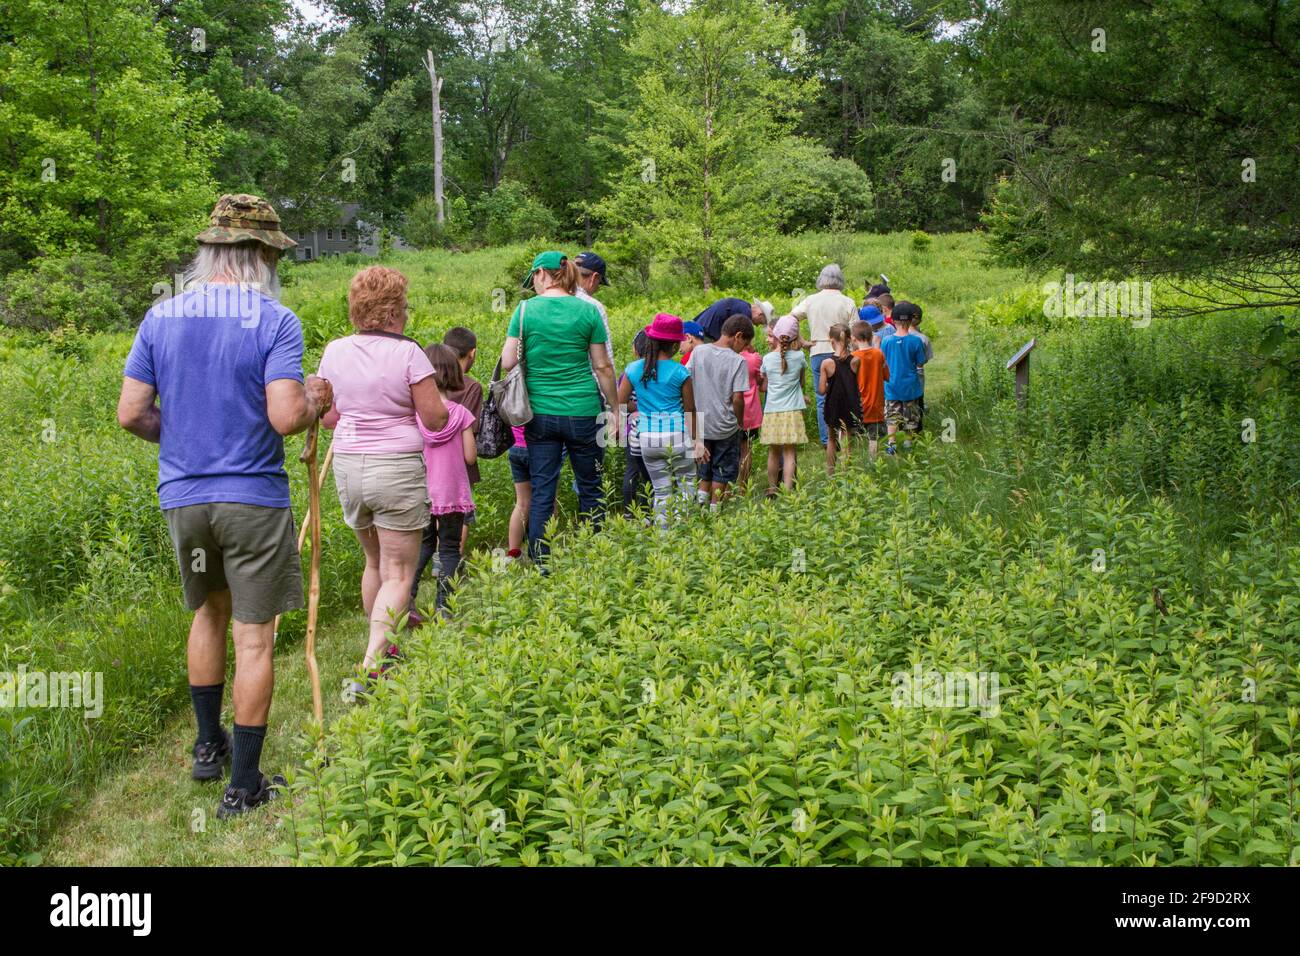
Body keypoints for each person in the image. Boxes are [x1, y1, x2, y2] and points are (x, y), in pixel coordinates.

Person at [117, 193, 333, 818]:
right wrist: (316, 398)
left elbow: (131, 412)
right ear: (260, 255)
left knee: (209, 614)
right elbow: (286, 415)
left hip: (184, 497)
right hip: (252, 498)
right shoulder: (273, 319)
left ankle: (206, 747)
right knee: (255, 637)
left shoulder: (161, 317)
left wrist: (183, 434)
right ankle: (244, 785)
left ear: (209, 250)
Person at [317, 266, 449, 698]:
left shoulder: (334, 351)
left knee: (374, 562)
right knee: (399, 570)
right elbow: (434, 417)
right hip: (394, 466)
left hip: (349, 464)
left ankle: (381, 645)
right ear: (393, 311)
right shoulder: (410, 354)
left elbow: (329, 416)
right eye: (405, 307)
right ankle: (375, 664)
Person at [501, 251, 617, 564]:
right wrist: (615, 409)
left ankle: (542, 563)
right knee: (591, 487)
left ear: (541, 273)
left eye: (533, 278)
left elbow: (509, 361)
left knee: (541, 491)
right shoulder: (588, 311)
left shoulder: (524, 310)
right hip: (583, 411)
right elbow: (603, 366)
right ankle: (597, 558)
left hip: (539, 416)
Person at [409, 344, 477, 618]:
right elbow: (470, 457)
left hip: (422, 492)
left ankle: (407, 600)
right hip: (453, 495)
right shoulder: (460, 414)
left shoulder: (415, 416)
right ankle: (444, 609)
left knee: (422, 546)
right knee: (449, 548)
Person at [618, 313, 700, 526]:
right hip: (677, 435)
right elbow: (690, 409)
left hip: (647, 438)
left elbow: (618, 402)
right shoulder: (680, 371)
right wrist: (698, 442)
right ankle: (683, 531)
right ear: (674, 345)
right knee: (687, 485)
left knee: (661, 491)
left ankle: (664, 535)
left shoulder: (634, 369)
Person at [689, 314, 751, 510]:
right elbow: (738, 398)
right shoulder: (738, 361)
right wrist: (739, 421)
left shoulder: (698, 352)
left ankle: (700, 504)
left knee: (704, 467)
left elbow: (686, 381)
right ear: (738, 336)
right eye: (745, 343)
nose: (745, 348)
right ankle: (715, 510)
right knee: (722, 470)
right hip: (725, 426)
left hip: (701, 424)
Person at [791, 264, 858, 447]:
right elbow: (855, 329)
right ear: (840, 280)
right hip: (842, 353)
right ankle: (845, 432)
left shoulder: (811, 300)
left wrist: (802, 340)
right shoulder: (847, 301)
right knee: (845, 394)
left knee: (823, 397)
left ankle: (827, 438)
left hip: (818, 350)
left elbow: (791, 318)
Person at [439, 327, 483, 557]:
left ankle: (437, 558)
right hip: (461, 464)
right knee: (462, 514)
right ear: (472, 353)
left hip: (434, 462)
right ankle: (451, 563)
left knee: (438, 510)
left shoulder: (432, 384)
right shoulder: (472, 386)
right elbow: (472, 429)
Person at [759, 314, 808, 495]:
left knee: (773, 452)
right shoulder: (799, 357)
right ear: (795, 336)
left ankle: (772, 488)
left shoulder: (767, 359)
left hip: (772, 411)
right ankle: (788, 489)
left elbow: (764, 385)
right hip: (793, 410)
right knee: (789, 453)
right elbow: (801, 384)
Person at [879, 301, 928, 454]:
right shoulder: (916, 341)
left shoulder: (886, 341)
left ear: (893, 320)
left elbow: (883, 360)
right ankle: (908, 443)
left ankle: (891, 444)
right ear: (911, 321)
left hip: (892, 385)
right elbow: (921, 361)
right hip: (911, 386)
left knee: (892, 416)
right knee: (911, 417)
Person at [818, 323, 862, 474]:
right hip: (849, 403)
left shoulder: (827, 363)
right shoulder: (855, 361)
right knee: (847, 438)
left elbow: (822, 390)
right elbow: (857, 384)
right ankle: (846, 473)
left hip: (833, 404)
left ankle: (831, 472)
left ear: (831, 340)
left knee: (831, 438)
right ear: (849, 339)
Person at [620, 330, 653, 514]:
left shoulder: (630, 370)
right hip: (655, 427)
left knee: (632, 471)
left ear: (636, 349)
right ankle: (648, 512)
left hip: (633, 429)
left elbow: (621, 401)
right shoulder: (658, 369)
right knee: (651, 475)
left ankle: (629, 513)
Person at [851, 319, 889, 458]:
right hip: (876, 404)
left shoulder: (853, 357)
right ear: (872, 336)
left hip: (858, 405)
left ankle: (853, 462)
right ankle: (872, 463)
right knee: (874, 438)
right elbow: (887, 376)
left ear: (853, 339)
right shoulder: (879, 354)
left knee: (854, 435)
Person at [574, 251, 615, 373]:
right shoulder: (593, 306)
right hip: (582, 384)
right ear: (594, 277)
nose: (597, 289)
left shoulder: (543, 300)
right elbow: (604, 362)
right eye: (599, 283)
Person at [738, 319, 765, 494]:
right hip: (751, 412)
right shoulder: (754, 359)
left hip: (733, 411)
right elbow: (761, 382)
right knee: (746, 450)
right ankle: (743, 486)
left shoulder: (728, 358)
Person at [691, 297, 774, 344]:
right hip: (705, 333)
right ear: (760, 314)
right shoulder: (745, 313)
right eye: (760, 322)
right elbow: (740, 341)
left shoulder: (742, 305)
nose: (756, 325)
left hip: (701, 327)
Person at [506, 424, 530, 562]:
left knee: (522, 503)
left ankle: (513, 554)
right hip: (538, 447)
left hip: (515, 445)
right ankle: (544, 549)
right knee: (548, 499)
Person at [910, 309, 935, 430]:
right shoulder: (923, 338)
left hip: (900, 375)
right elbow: (924, 360)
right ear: (920, 320)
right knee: (918, 401)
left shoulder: (893, 336)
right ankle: (917, 429)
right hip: (918, 374)